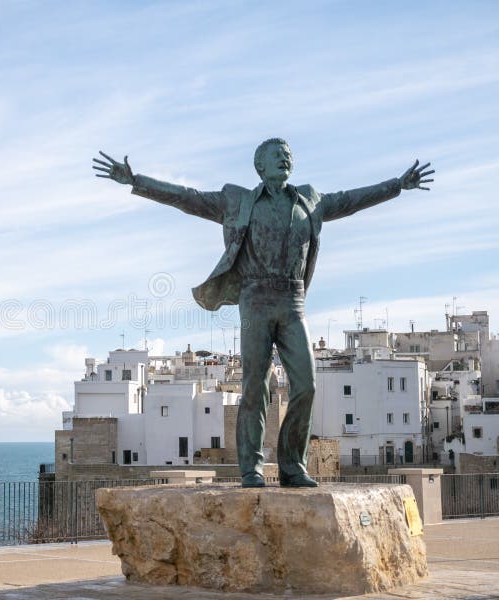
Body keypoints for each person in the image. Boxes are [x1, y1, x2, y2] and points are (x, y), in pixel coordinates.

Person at [93, 139, 433, 487]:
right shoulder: (238, 201)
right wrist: (138, 181)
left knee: (307, 385)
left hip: (292, 301)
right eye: (277, 154)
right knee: (255, 386)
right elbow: (188, 198)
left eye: (288, 154)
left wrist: (397, 186)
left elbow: (350, 201)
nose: (285, 158)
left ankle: (292, 465)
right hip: (255, 298)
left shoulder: (309, 200)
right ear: (260, 166)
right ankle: (251, 467)